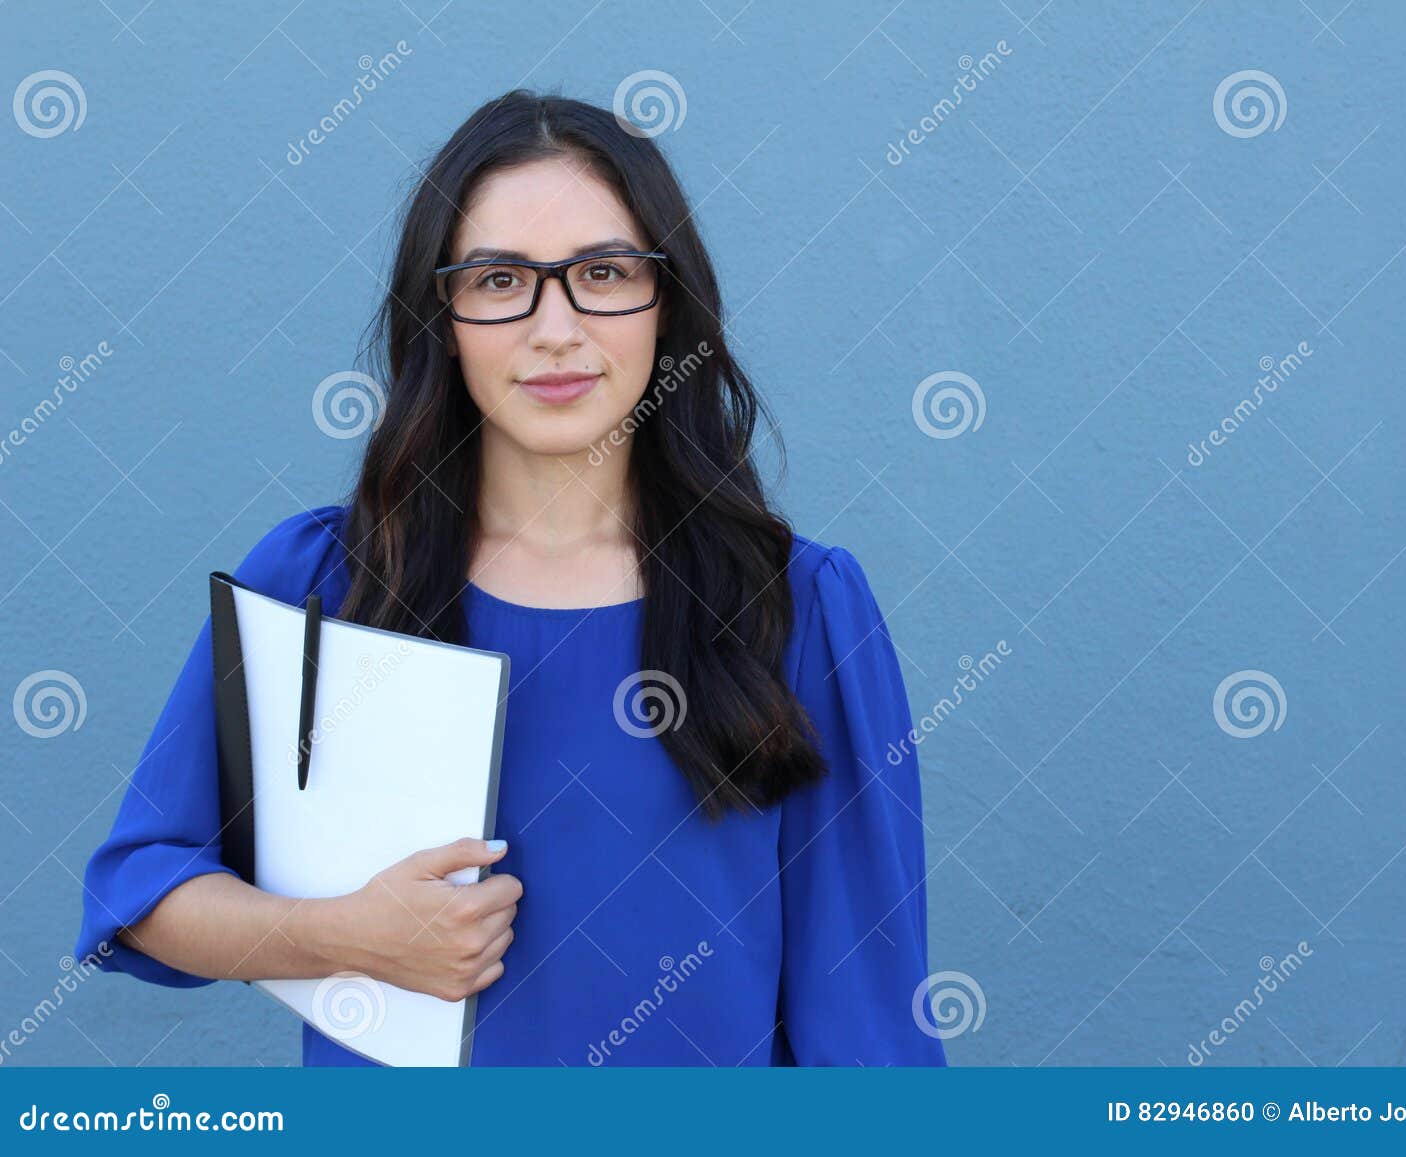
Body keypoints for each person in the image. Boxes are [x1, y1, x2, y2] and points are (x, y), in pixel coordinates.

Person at [73, 90, 946, 1067]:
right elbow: (139, 890)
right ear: (442, 317)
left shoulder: (797, 606)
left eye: (603, 272)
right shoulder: (324, 579)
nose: (555, 328)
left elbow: (868, 1028)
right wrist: (341, 934)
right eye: (499, 280)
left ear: (668, 303)